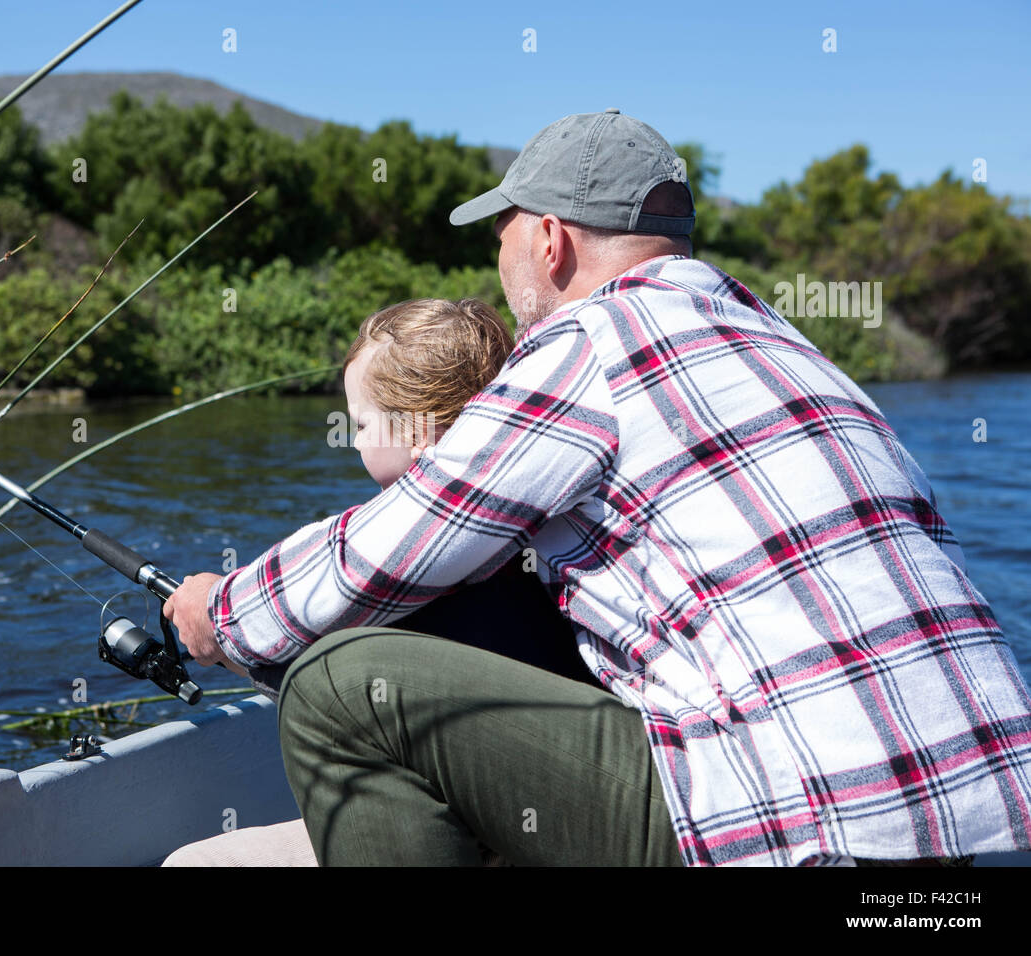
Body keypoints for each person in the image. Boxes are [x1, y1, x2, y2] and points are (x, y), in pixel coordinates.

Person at [164, 110, 1031, 866]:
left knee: (340, 686)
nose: (499, 266)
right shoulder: (788, 348)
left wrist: (222, 610)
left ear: (549, 240)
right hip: (994, 838)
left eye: (500, 236)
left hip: (822, 837)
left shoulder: (595, 339)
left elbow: (391, 549)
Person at [163, 296, 593, 866]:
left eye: (362, 424)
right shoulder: (547, 531)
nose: (354, 441)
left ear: (418, 430)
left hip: (482, 830)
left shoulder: (411, 564)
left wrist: (218, 636)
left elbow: (318, 676)